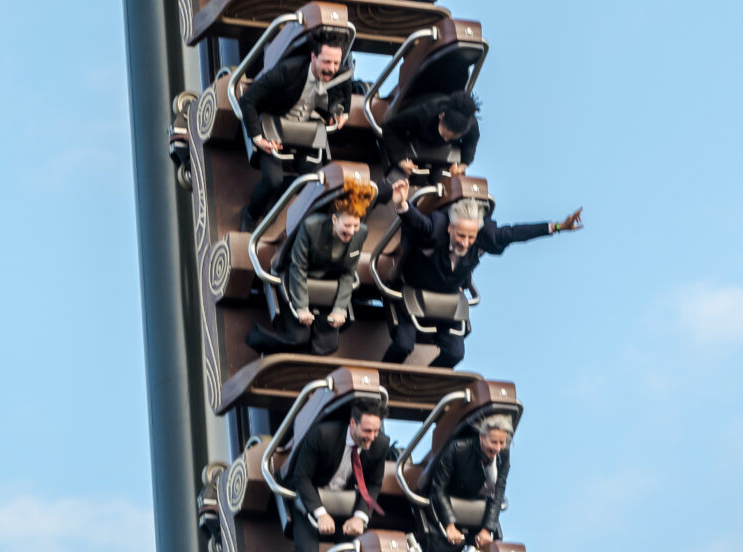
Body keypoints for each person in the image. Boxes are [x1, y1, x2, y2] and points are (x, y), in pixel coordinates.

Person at [383, 196, 583, 368]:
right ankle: (382, 378)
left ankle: (421, 385)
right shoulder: (434, 229)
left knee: (455, 353)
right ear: (450, 229)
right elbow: (418, 222)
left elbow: (516, 233)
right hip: (412, 296)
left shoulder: (485, 239)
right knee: (403, 345)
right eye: (460, 235)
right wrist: (402, 204)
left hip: (446, 304)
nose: (464, 242)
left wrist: (558, 227)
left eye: (470, 237)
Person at [260, 399, 390, 552]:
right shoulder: (323, 436)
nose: (372, 437)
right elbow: (301, 478)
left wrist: (360, 517)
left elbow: (373, 483)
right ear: (353, 424)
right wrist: (320, 513)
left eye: (376, 431)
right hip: (308, 497)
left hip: (341, 502)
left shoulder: (380, 444)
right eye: (367, 431)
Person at [246, 178, 374, 356]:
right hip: (299, 279)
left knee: (328, 345)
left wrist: (339, 309)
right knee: (298, 338)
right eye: (347, 225)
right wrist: (302, 307)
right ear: (334, 218)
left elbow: (348, 273)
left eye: (355, 225)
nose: (352, 231)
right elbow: (298, 266)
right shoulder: (312, 226)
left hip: (328, 286)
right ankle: (258, 340)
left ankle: (297, 361)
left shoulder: (361, 233)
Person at [238, 26, 352, 226]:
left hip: (306, 129)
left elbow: (346, 91)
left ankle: (279, 197)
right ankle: (250, 214)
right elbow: (248, 100)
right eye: (326, 61)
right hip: (275, 123)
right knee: (273, 180)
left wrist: (343, 113)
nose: (331, 68)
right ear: (313, 57)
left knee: (314, 184)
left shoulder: (340, 73)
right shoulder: (287, 71)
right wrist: (257, 138)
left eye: (335, 62)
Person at [423, 415, 514, 552]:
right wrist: (450, 525)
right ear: (481, 437)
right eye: (493, 442)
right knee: (444, 548)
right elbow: (439, 488)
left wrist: (487, 529)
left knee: (490, 551)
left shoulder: (503, 454)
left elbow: (497, 492)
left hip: (477, 507)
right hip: (446, 505)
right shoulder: (458, 449)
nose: (497, 448)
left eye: (502, 443)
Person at [381, 89, 480, 180]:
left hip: (441, 156)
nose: (445, 139)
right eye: (444, 134)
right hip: (412, 143)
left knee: (445, 184)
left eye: (452, 138)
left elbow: (472, 141)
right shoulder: (423, 112)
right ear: (442, 116)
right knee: (397, 179)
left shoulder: (471, 125)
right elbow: (390, 128)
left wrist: (463, 164)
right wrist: (401, 159)